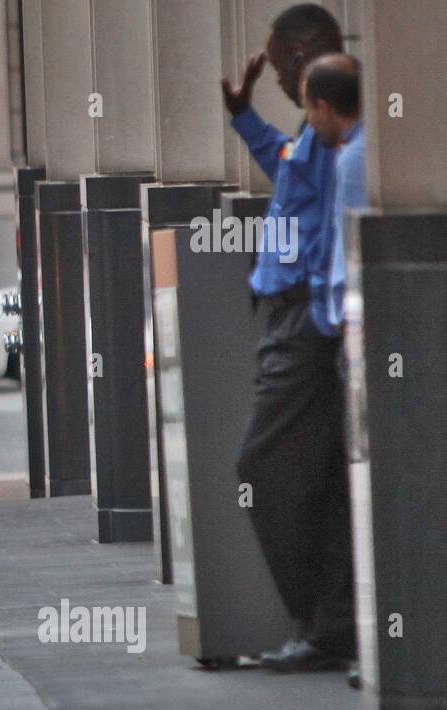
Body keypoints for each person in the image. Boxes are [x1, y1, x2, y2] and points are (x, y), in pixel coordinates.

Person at [223, 4, 353, 673]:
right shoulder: (314, 130)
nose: (273, 78)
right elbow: (287, 171)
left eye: (277, 66)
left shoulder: (337, 136)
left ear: (306, 57)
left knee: (264, 467)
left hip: (303, 323)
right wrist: (243, 114)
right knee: (318, 478)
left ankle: (323, 619)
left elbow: (332, 235)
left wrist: (327, 330)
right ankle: (332, 624)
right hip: (287, 318)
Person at [302, 54, 363, 337]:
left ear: (324, 107)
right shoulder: (356, 150)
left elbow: (349, 243)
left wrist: (340, 312)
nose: (310, 122)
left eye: (309, 110)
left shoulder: (353, 157)